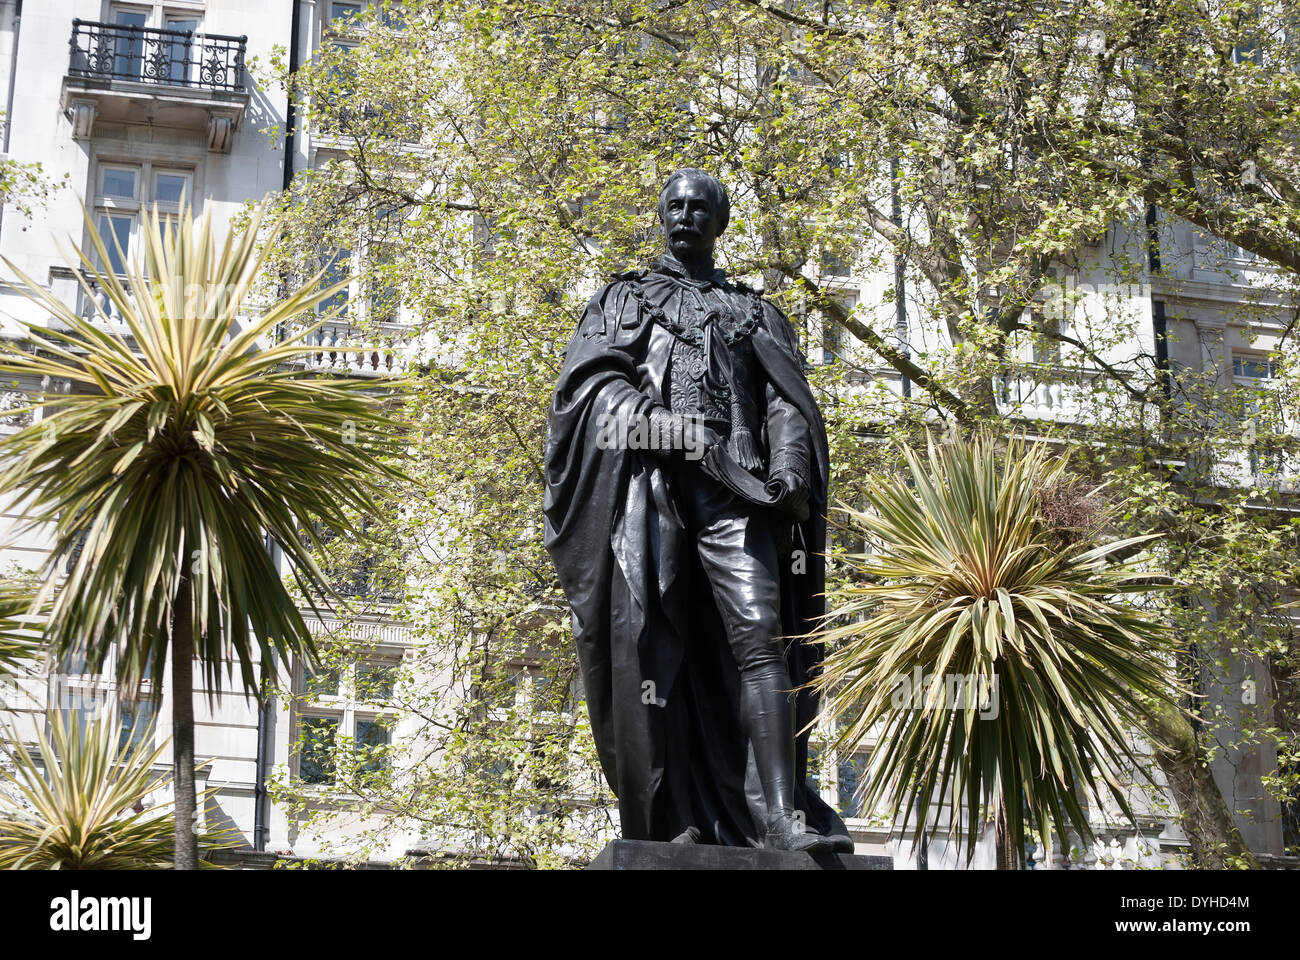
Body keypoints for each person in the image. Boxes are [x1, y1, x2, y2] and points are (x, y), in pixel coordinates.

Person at [544, 168, 851, 853]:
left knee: (761, 635)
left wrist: (792, 469)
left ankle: (779, 817)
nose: (684, 217)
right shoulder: (622, 299)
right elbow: (588, 391)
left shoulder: (756, 313)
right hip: (647, 492)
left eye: (698, 208)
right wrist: (663, 428)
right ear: (662, 216)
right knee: (653, 645)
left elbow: (787, 403)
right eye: (674, 206)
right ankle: (664, 813)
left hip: (734, 491)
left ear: (720, 222)